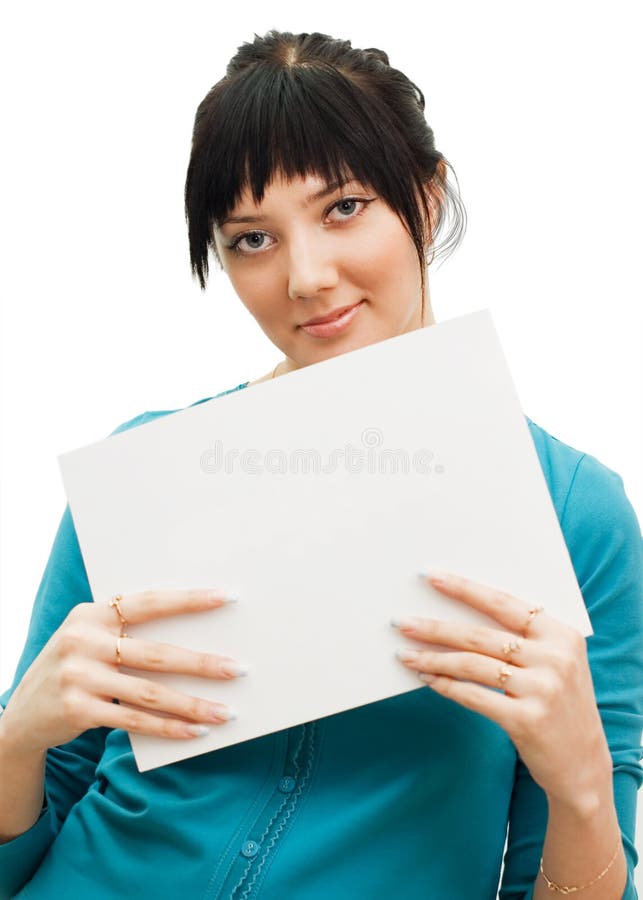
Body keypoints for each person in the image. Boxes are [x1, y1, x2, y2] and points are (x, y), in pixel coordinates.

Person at [0, 28, 641, 900]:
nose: (305, 276)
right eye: (250, 239)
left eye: (342, 208)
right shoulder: (146, 475)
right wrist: (16, 741)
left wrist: (579, 784)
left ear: (424, 194)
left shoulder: (572, 512)